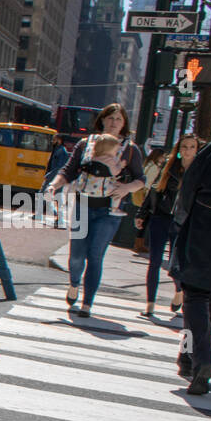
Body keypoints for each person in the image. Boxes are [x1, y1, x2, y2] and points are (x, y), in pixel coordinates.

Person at [45, 102, 145, 317]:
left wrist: (127, 188)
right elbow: (69, 170)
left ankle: (87, 304)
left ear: (124, 123)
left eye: (119, 119)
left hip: (109, 211)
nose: (114, 123)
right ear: (102, 120)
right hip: (83, 205)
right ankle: (74, 284)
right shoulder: (85, 144)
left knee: (96, 255)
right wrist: (54, 185)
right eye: (110, 118)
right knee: (77, 256)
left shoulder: (129, 149)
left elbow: (141, 179)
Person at [169, 134, 211, 394]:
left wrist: (184, 218)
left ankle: (202, 357)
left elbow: (189, 187)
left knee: (195, 295)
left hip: (206, 227)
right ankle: (187, 357)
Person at [134, 134, 199, 317]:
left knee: (174, 265)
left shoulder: (200, 170)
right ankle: (150, 304)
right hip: (160, 218)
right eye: (184, 146)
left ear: (196, 149)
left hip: (183, 222)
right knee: (154, 261)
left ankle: (179, 291)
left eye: (191, 147)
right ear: (179, 149)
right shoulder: (169, 166)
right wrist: (142, 213)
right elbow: (154, 191)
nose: (187, 150)